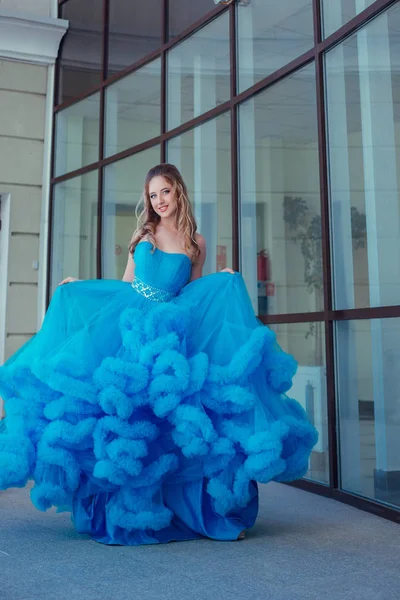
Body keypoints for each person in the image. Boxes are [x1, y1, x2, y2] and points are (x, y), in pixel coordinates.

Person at [0, 163, 318, 545]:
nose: (159, 200)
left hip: (171, 337)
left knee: (174, 422)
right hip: (133, 329)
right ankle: (122, 509)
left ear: (177, 192)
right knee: (129, 417)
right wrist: (83, 286)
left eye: (164, 192)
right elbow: (124, 285)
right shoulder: (144, 234)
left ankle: (196, 513)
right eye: (152, 195)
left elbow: (194, 297)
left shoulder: (194, 243)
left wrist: (224, 279)